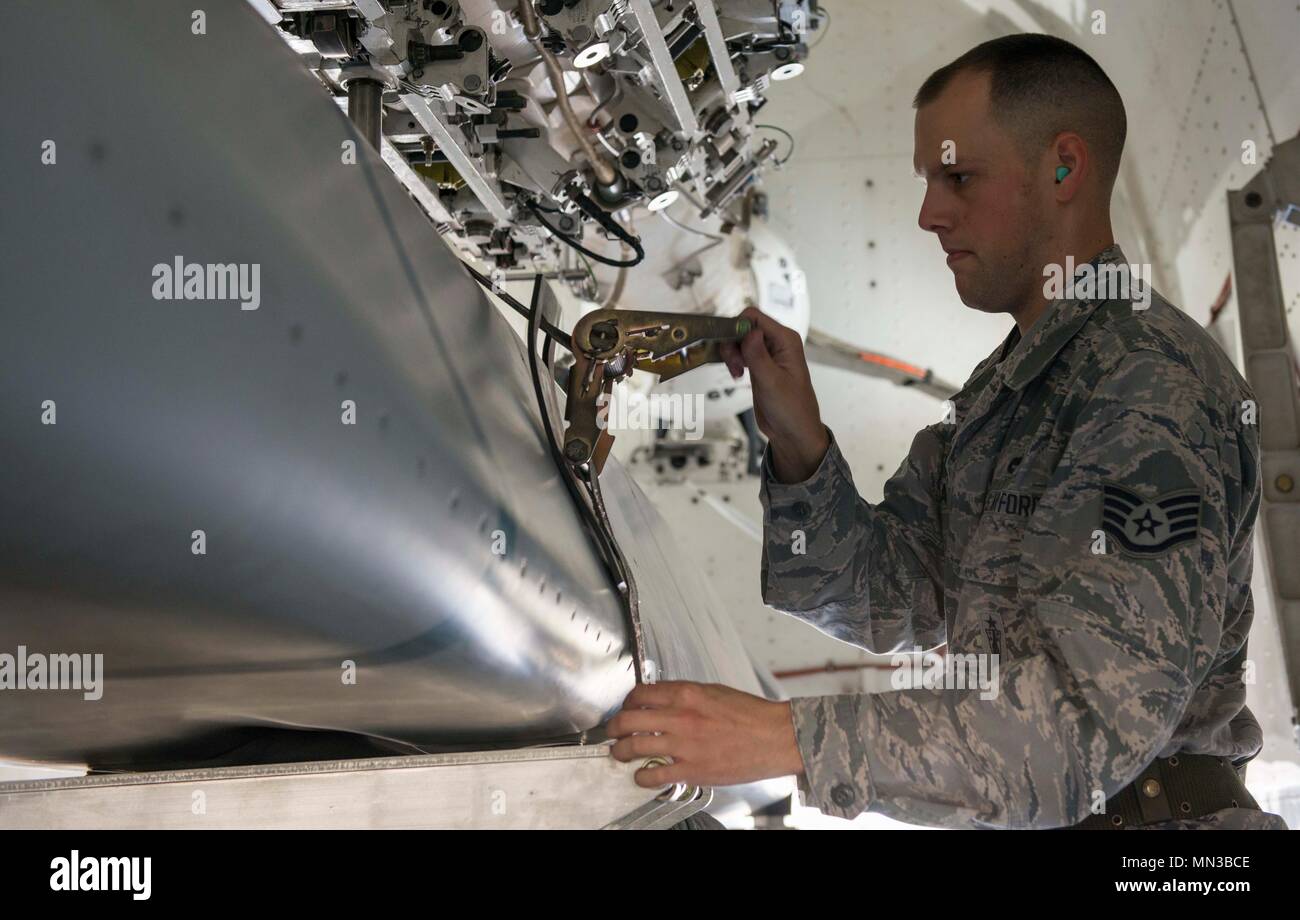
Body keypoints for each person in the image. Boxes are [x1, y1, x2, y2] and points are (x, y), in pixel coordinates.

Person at [607, 33, 1287, 829]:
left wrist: (779, 737)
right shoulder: (1005, 397)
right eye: (930, 180)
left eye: (958, 177)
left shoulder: (1149, 385)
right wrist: (797, 443)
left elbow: (1079, 732)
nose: (930, 214)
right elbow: (875, 595)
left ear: (1064, 168)